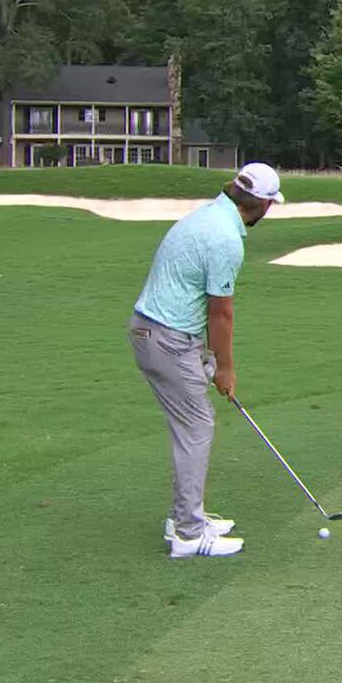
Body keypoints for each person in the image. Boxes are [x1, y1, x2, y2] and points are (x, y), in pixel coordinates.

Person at [128, 163, 283, 559]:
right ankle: (188, 533)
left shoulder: (209, 215)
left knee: (192, 426)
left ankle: (186, 516)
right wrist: (225, 368)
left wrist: (206, 355)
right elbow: (220, 314)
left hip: (159, 332)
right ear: (263, 204)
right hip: (167, 339)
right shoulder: (226, 238)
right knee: (196, 427)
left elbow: (194, 297)